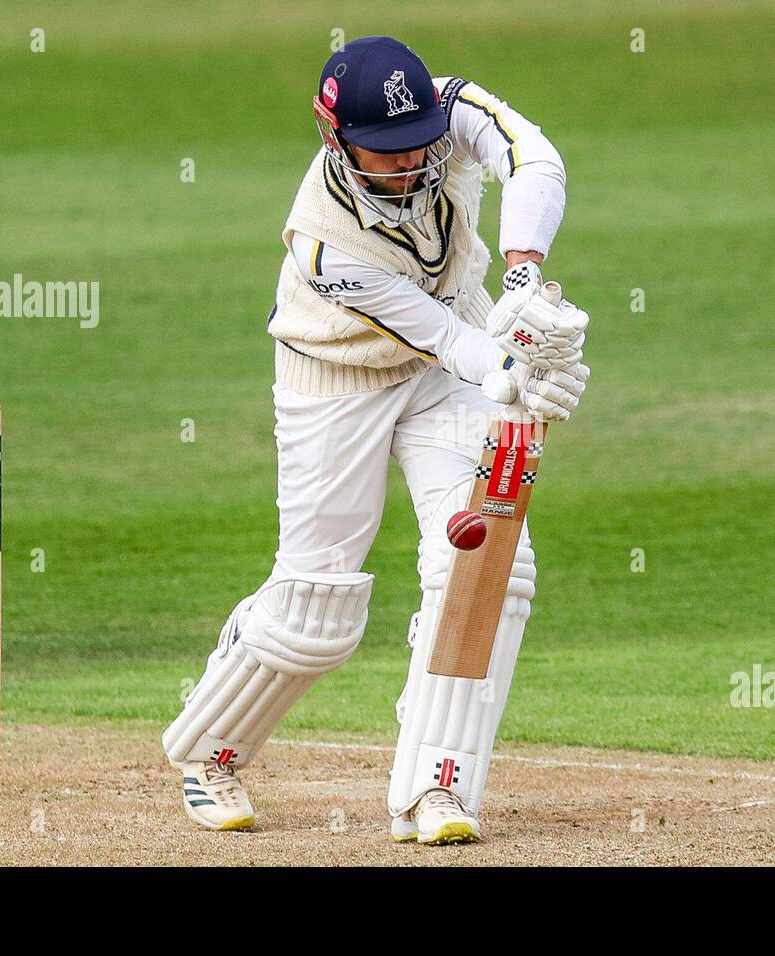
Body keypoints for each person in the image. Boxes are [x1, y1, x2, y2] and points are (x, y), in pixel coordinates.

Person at [162, 35, 589, 845]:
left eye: (419, 142)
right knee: (314, 612)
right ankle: (207, 753)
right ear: (336, 138)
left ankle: (439, 788)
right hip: (338, 379)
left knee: (491, 559)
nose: (412, 161)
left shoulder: (450, 112)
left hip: (446, 370)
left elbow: (536, 162)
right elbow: (442, 337)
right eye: (386, 153)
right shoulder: (322, 242)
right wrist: (518, 369)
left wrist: (526, 273)